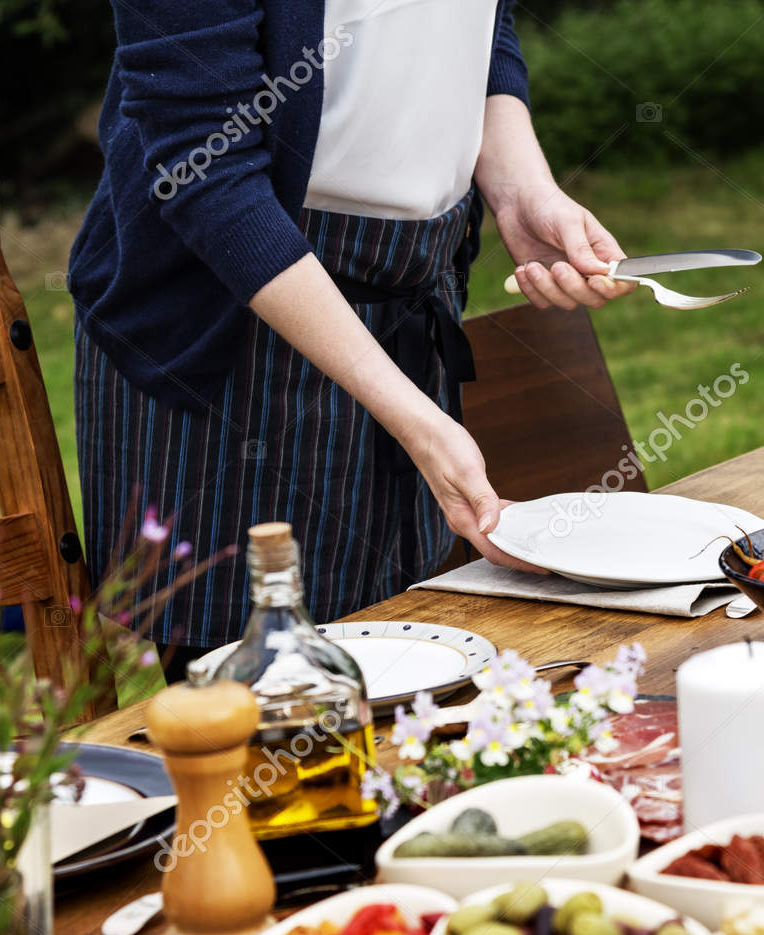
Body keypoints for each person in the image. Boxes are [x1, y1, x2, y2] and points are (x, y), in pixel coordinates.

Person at [67, 0, 631, 680]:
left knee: (422, 666)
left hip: (411, 296)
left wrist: (520, 190)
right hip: (228, 325)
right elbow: (204, 166)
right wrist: (417, 419)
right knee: (262, 699)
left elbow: (480, 28)